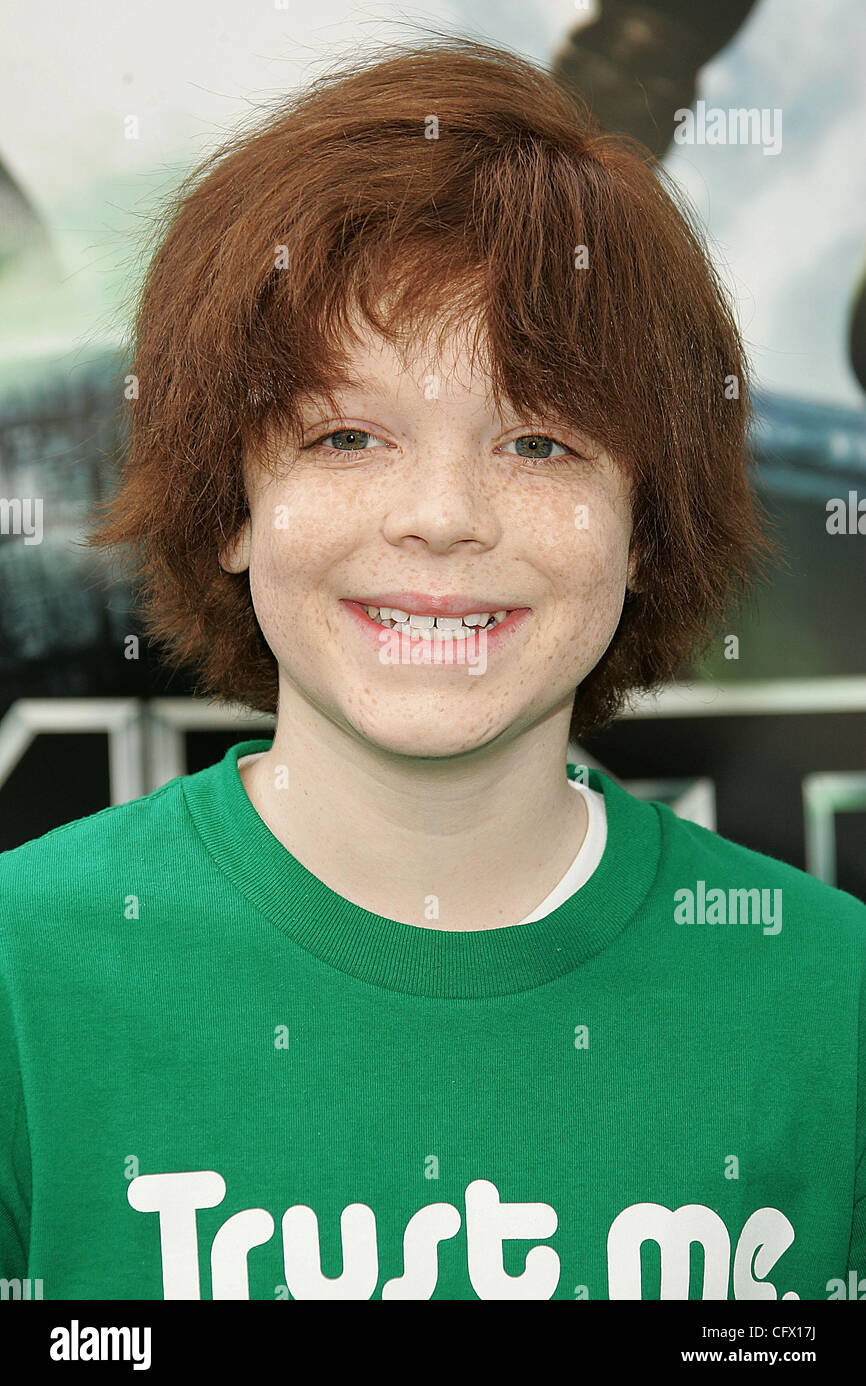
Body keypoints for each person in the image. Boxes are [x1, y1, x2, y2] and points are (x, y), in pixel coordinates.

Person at [1, 36, 863, 1302]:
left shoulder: (830, 995)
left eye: (538, 441)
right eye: (346, 434)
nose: (442, 514)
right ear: (229, 502)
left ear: (649, 524)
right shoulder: (23, 972)